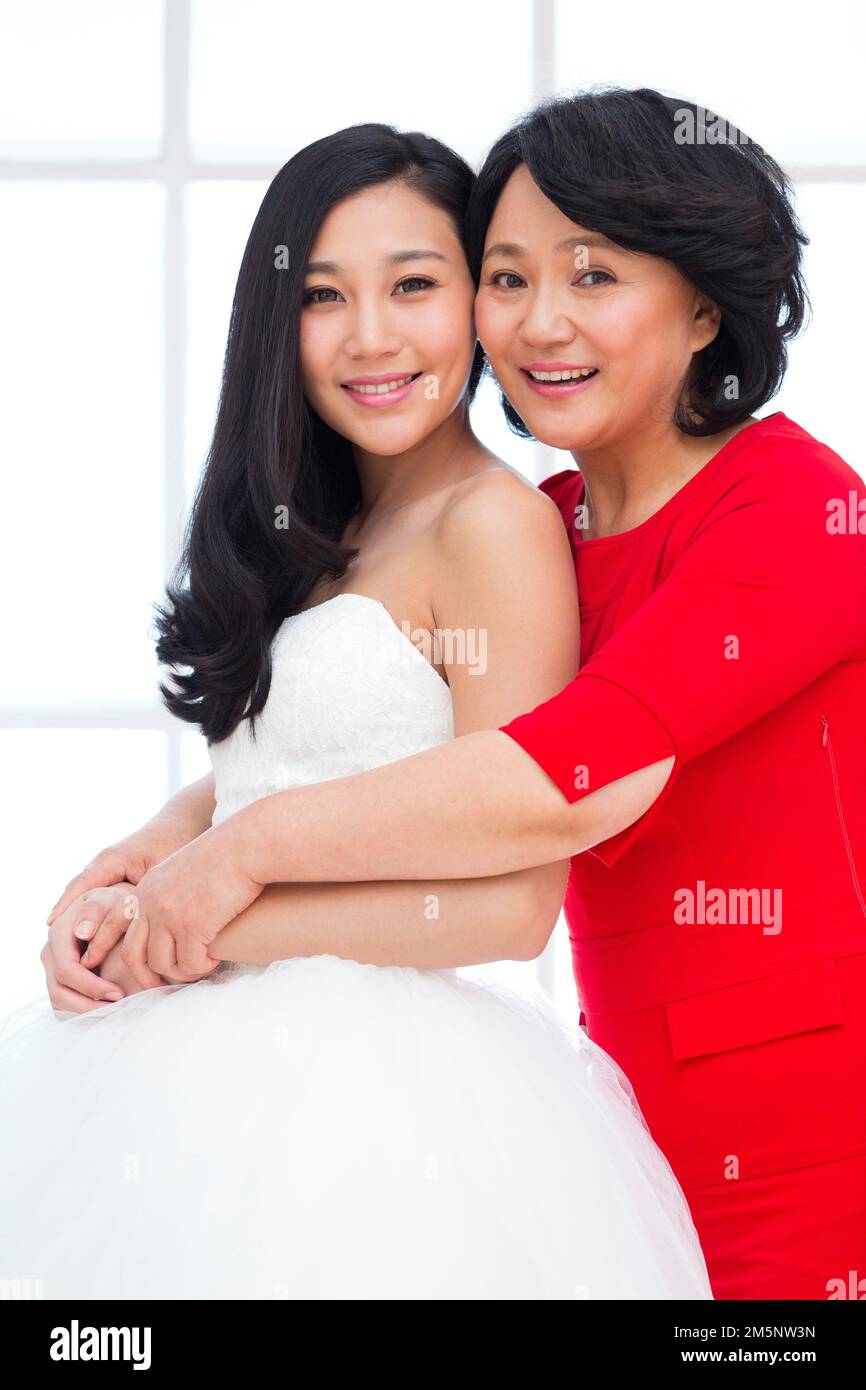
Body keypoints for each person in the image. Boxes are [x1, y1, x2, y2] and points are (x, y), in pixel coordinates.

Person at [48, 89, 866, 1301]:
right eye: (508, 276)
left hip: (809, 1141)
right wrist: (167, 837)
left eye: (593, 276)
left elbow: (571, 776)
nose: (540, 323)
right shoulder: (549, 526)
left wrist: (237, 864)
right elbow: (393, 746)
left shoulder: (797, 509)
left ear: (702, 305)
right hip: (620, 1125)